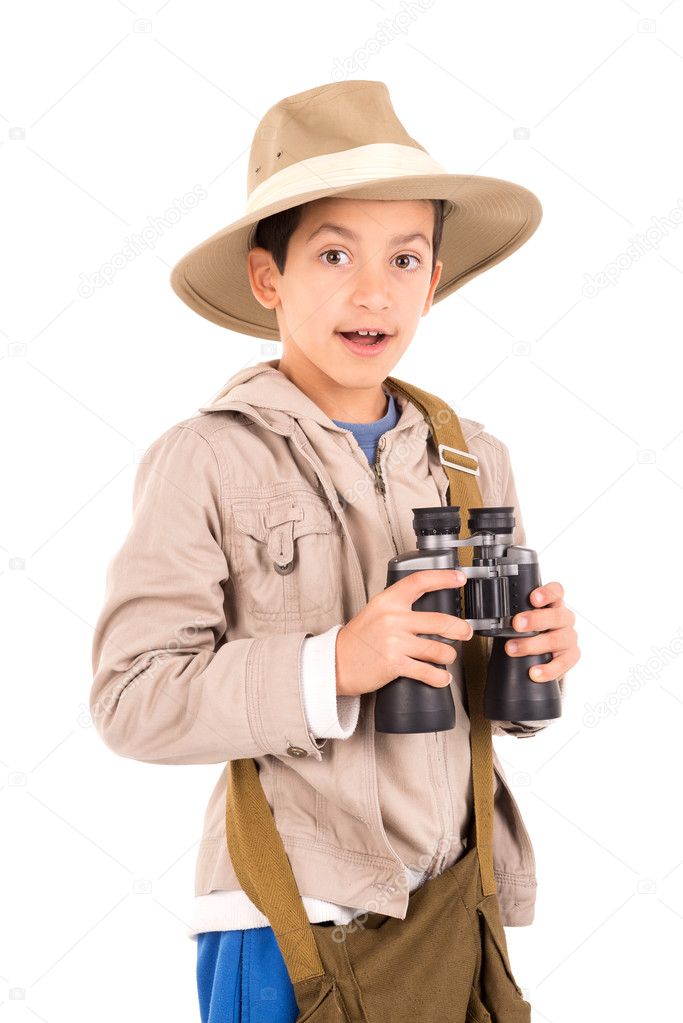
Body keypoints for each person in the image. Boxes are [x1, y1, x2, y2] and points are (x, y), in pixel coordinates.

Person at [90, 80, 580, 1022]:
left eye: (404, 258)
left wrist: (534, 663)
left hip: (456, 904)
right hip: (291, 921)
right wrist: (335, 665)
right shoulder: (206, 457)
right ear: (267, 278)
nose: (372, 290)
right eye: (332, 253)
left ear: (433, 278)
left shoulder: (471, 458)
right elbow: (130, 700)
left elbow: (484, 701)